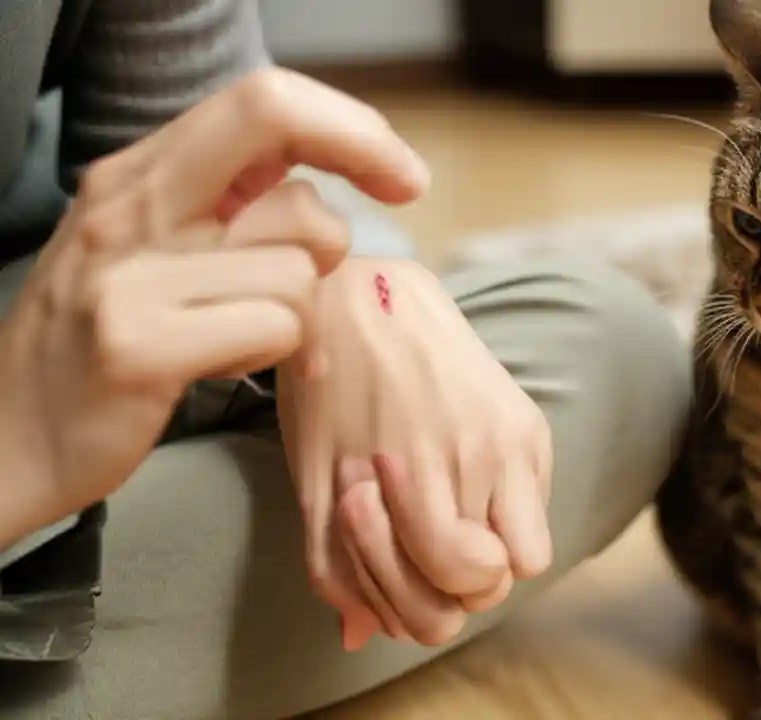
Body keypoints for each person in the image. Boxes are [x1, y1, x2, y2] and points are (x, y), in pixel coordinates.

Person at [0, 1, 691, 718]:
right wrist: (20, 452)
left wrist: (334, 285)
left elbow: (203, 177)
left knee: (623, 359)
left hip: (52, 285)